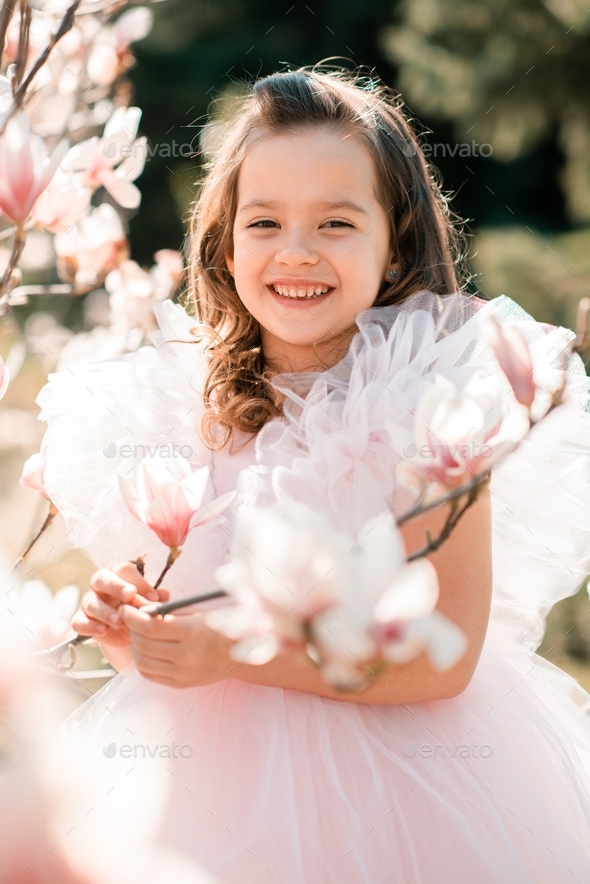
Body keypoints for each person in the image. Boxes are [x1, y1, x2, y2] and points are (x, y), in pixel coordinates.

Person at [37, 67, 590, 882]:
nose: (296, 252)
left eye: (337, 221)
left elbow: (448, 656)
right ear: (225, 239)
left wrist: (232, 653)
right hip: (201, 791)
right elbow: (201, 654)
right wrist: (144, 637)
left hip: (411, 788)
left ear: (395, 238)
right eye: (264, 221)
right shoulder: (183, 408)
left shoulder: (434, 397)